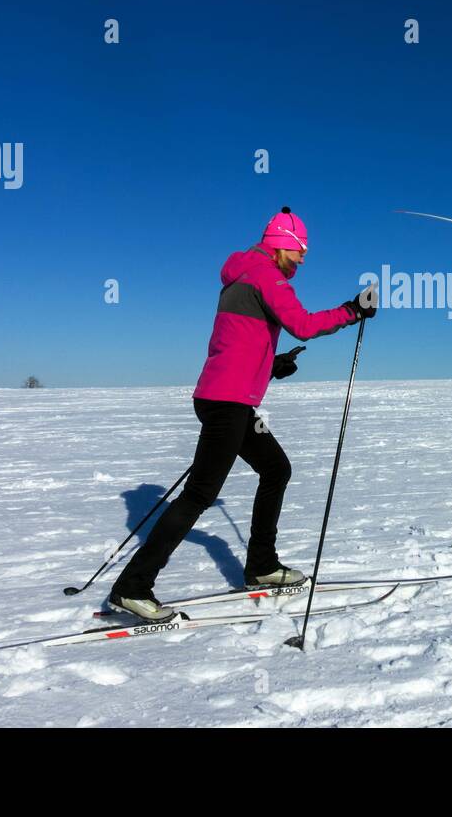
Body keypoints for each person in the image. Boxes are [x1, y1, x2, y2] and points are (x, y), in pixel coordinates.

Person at [108, 207, 377, 621]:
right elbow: (303, 324)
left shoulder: (243, 276)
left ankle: (262, 566)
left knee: (276, 469)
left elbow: (236, 344)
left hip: (227, 398)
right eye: (301, 248)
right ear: (282, 244)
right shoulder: (266, 276)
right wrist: (351, 310)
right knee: (199, 495)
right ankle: (132, 587)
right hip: (228, 403)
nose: (304, 256)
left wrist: (272, 365)